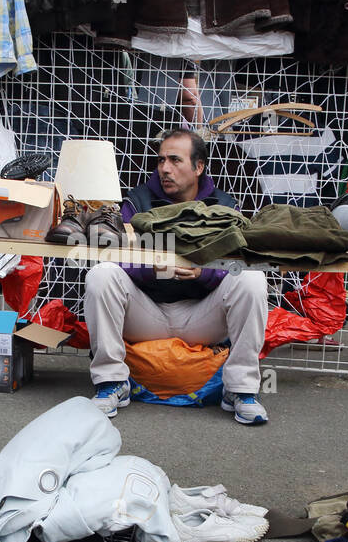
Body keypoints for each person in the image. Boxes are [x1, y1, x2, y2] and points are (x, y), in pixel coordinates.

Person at [83, 128, 270, 425]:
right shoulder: (138, 201)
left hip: (201, 316)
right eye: (160, 161)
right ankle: (111, 384)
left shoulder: (223, 205)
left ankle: (240, 390)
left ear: (198, 167)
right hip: (147, 314)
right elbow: (116, 254)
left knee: (252, 279)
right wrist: (152, 266)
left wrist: (204, 272)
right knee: (100, 275)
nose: (165, 169)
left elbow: (236, 260)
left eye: (174, 160)